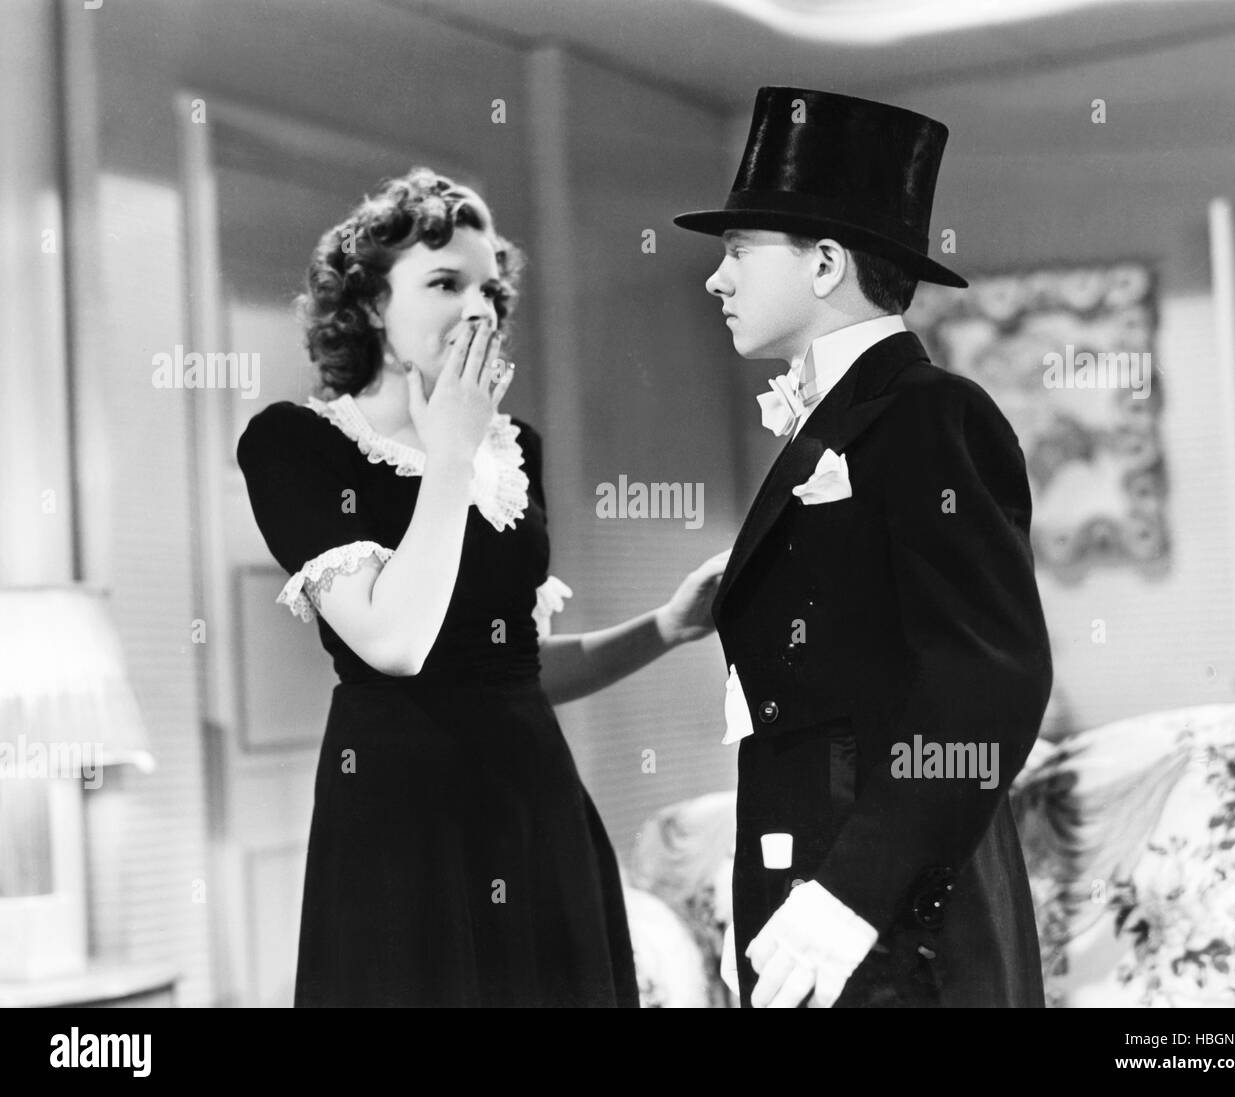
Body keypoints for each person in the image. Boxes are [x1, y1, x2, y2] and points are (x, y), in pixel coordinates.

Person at [237, 167, 727, 1007]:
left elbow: (512, 666)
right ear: (367, 308)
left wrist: (667, 627)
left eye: (491, 289)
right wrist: (450, 458)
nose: (480, 309)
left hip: (534, 804)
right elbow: (395, 643)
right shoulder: (295, 446)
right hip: (400, 820)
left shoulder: (514, 451)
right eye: (444, 282)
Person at [673, 88, 1053, 1008]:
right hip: (810, 890)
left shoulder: (930, 412)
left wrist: (848, 896)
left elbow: (988, 679)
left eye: (737, 251)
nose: (716, 280)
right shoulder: (828, 421)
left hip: (897, 912)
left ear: (827, 264)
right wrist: (758, 898)